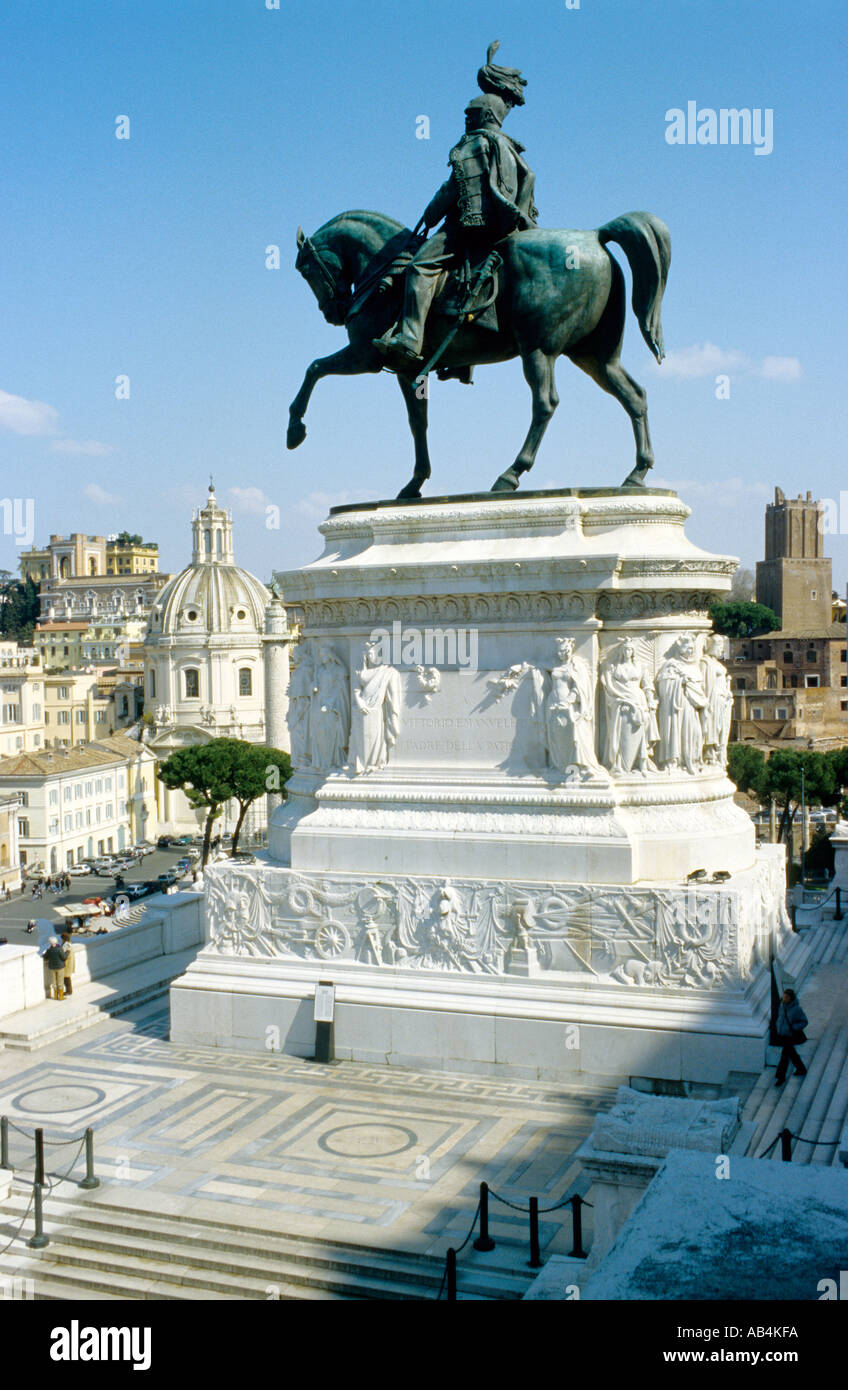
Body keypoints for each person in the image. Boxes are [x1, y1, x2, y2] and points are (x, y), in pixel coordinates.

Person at [374, 80, 537, 368]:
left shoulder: (475, 143)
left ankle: (409, 339)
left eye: (470, 114)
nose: (466, 119)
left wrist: (430, 214)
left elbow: (456, 187)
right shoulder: (510, 147)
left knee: (418, 268)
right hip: (504, 229)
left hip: (471, 226)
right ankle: (460, 363)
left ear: (486, 116)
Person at [774, 987, 808, 1085]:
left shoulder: (796, 1009)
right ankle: (801, 1069)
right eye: (783, 996)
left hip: (790, 1035)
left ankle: (781, 1077)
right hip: (782, 1034)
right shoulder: (782, 1005)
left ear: (790, 998)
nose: (783, 998)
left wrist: (794, 1027)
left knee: (784, 1057)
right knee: (792, 1054)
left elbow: (804, 1021)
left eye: (785, 997)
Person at [44, 936, 67, 1001]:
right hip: (60, 967)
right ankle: (61, 997)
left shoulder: (49, 950)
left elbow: (45, 957)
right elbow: (64, 957)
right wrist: (67, 952)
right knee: (60, 982)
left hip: (52, 967)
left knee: (53, 982)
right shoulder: (59, 949)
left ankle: (55, 996)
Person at [60, 932, 75, 997]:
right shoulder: (69, 944)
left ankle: (69, 991)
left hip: (67, 964)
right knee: (67, 977)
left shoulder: (66, 945)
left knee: (66, 978)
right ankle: (69, 990)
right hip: (69, 963)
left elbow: (61, 952)